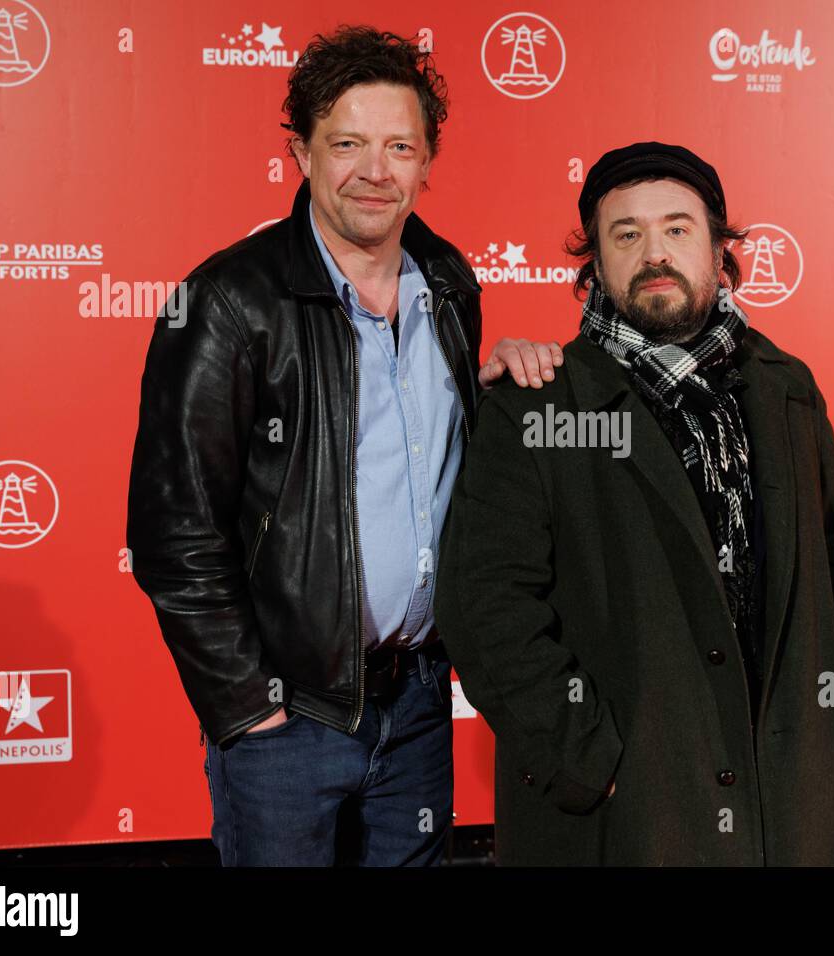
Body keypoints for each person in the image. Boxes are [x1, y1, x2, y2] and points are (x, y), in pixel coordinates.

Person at [125, 25, 560, 866]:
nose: (376, 170)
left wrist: (499, 377)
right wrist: (248, 706)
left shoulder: (450, 282)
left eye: (400, 145)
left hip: (421, 705)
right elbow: (174, 530)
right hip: (290, 721)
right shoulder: (229, 301)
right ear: (301, 153)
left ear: (428, 161)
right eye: (348, 143)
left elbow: (440, 460)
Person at [434, 142, 834, 865]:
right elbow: (485, 606)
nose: (655, 253)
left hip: (800, 805)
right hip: (635, 819)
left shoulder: (787, 386)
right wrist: (587, 756)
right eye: (627, 234)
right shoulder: (536, 406)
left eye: (677, 229)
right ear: (596, 265)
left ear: (717, 248)